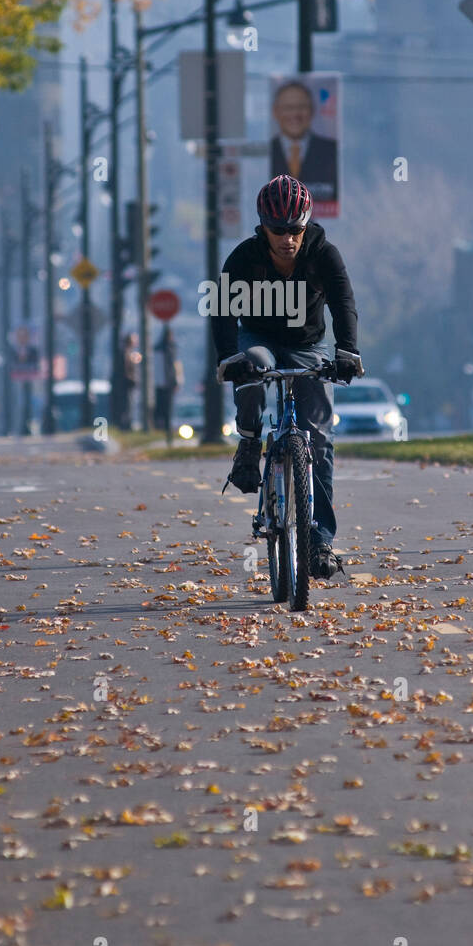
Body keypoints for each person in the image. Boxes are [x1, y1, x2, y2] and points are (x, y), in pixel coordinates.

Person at [211, 174, 364, 580]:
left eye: (295, 229)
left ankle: (320, 540)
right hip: (258, 339)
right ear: (263, 226)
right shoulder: (244, 259)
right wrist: (229, 358)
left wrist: (347, 351)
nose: (288, 239)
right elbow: (223, 310)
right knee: (253, 369)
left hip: (307, 345)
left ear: (306, 225)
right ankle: (248, 444)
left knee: (319, 437)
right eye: (278, 230)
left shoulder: (323, 254)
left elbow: (343, 301)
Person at [269, 80, 338, 204]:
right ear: (275, 112)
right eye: (288, 107)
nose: (295, 114)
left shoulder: (332, 151)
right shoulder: (265, 153)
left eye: (302, 107)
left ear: (312, 111)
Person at [153, 326, 183, 443]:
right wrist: (175, 381)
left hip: (159, 383)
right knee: (167, 407)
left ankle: (163, 428)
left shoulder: (157, 348)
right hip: (167, 383)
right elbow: (172, 367)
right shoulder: (171, 349)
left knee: (161, 406)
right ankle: (166, 428)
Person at [118, 331, 141, 430]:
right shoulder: (126, 353)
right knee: (127, 406)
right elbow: (126, 370)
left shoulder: (130, 353)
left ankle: (127, 424)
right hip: (126, 385)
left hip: (128, 384)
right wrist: (132, 379)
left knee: (130, 405)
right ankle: (126, 426)